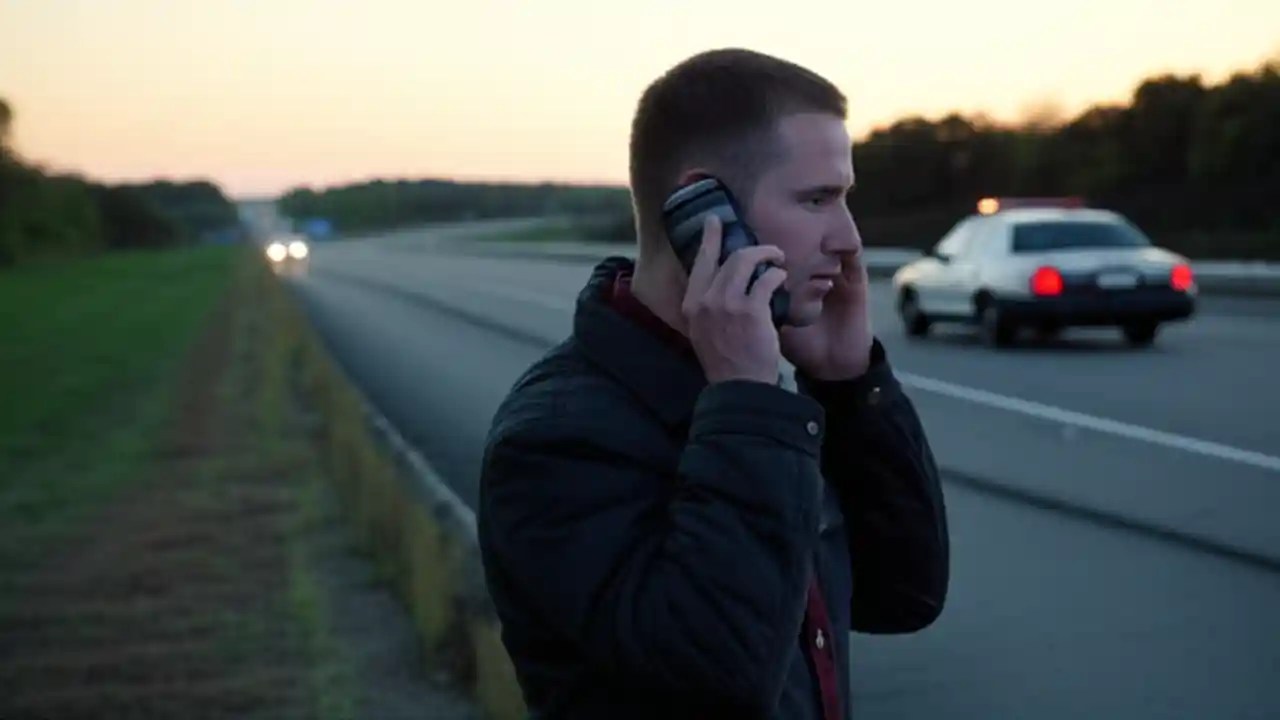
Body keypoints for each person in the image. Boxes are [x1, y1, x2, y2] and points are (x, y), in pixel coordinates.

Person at [477, 47, 950, 719]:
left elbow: (903, 595)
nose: (848, 240)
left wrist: (849, 386)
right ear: (703, 211)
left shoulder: (753, 398)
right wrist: (747, 409)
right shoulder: (559, 438)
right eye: (817, 200)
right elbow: (714, 684)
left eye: (845, 200)